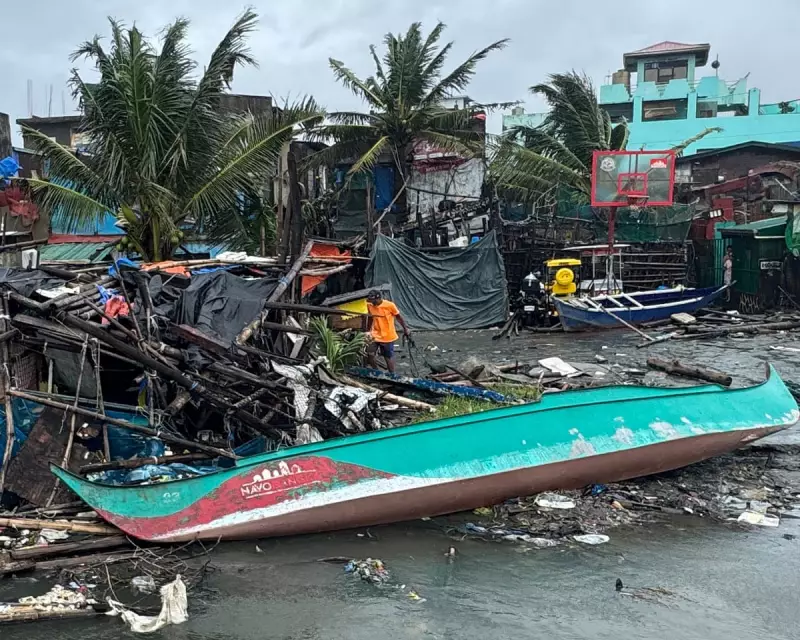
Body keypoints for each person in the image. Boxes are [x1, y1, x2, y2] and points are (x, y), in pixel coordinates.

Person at [365, 290, 410, 373]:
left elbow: (399, 317)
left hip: (387, 335)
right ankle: (376, 372)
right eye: (370, 301)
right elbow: (371, 317)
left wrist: (405, 329)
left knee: (387, 357)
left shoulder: (390, 305)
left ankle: (392, 375)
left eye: (373, 301)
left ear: (378, 299)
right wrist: (368, 331)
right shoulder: (369, 305)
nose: (372, 303)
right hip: (375, 334)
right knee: (370, 353)